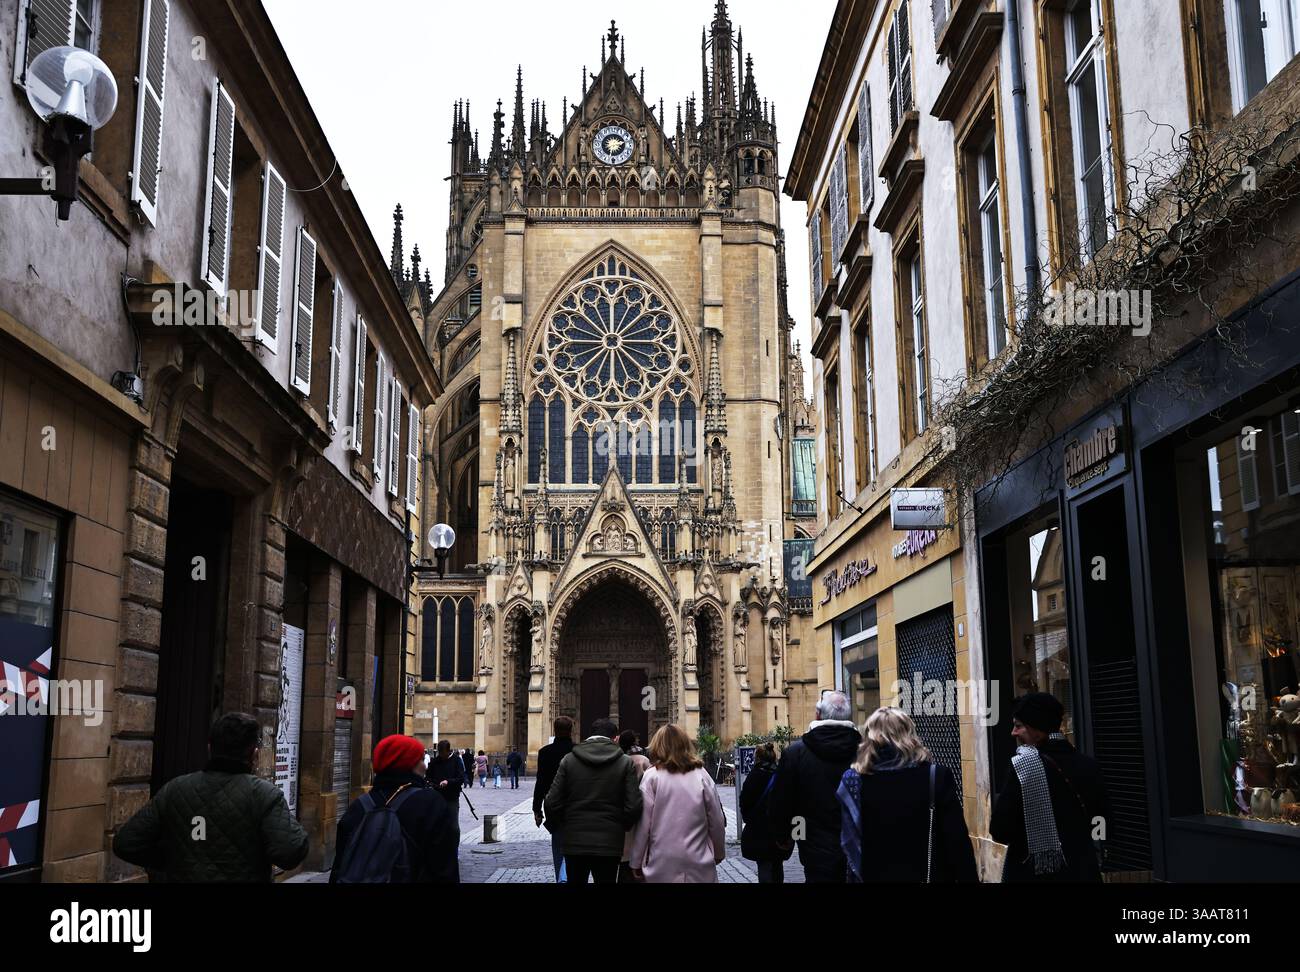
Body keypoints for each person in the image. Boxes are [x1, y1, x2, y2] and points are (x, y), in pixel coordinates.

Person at [113, 712, 309, 882]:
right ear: (255, 755)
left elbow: (126, 843)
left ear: (210, 748)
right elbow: (291, 852)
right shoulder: (265, 795)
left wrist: (170, 862)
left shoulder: (174, 789)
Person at [836, 707, 978, 883]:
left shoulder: (853, 781)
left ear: (869, 737)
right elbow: (957, 842)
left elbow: (848, 842)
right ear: (909, 734)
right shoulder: (936, 776)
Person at [990, 692, 1110, 882]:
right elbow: (1102, 822)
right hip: (1082, 872)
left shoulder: (1023, 766)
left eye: (1019, 726)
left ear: (1038, 730)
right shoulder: (1089, 766)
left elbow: (999, 830)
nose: (1013, 732)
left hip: (1032, 874)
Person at [331, 734, 458, 883]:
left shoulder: (358, 806)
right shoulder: (430, 803)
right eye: (421, 760)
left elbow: (340, 867)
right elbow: (444, 868)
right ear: (408, 763)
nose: (425, 766)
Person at [767, 690, 862, 883]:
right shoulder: (865, 751)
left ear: (818, 715)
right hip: (858, 846)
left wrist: (787, 837)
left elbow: (784, 802)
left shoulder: (796, 752)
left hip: (814, 848)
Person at [543, 717, 643, 885]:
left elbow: (551, 802)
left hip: (574, 842)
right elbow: (633, 806)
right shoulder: (625, 762)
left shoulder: (569, 760)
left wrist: (566, 825)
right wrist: (620, 826)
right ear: (615, 738)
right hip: (610, 843)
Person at [628, 724, 726, 883]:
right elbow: (716, 819)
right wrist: (719, 852)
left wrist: (636, 860)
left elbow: (644, 825)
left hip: (661, 862)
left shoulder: (652, 777)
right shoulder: (702, 775)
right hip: (698, 859)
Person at [739, 742, 791, 883]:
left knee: (764, 865)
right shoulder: (782, 775)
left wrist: (750, 820)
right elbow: (790, 802)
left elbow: (744, 802)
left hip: (759, 830)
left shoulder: (753, 776)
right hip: (778, 830)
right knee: (777, 864)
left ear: (758, 757)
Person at [534, 716, 576, 883]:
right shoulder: (577, 750)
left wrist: (536, 809)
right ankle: (569, 877)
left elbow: (541, 782)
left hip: (552, 805)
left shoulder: (545, 752)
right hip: (574, 804)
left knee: (558, 844)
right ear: (571, 730)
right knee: (574, 845)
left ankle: (561, 877)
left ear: (554, 730)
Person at [617, 730, 651, 883]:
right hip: (642, 808)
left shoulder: (619, 759)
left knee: (626, 854)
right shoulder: (643, 759)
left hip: (625, 812)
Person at [426, 738, 465, 848]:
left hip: (452, 797)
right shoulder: (435, 761)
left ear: (448, 751)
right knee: (437, 825)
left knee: (453, 826)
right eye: (439, 752)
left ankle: (454, 849)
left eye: (442, 753)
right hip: (437, 797)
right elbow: (428, 776)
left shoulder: (457, 760)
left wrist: (448, 782)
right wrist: (433, 783)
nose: (441, 755)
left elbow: (461, 778)